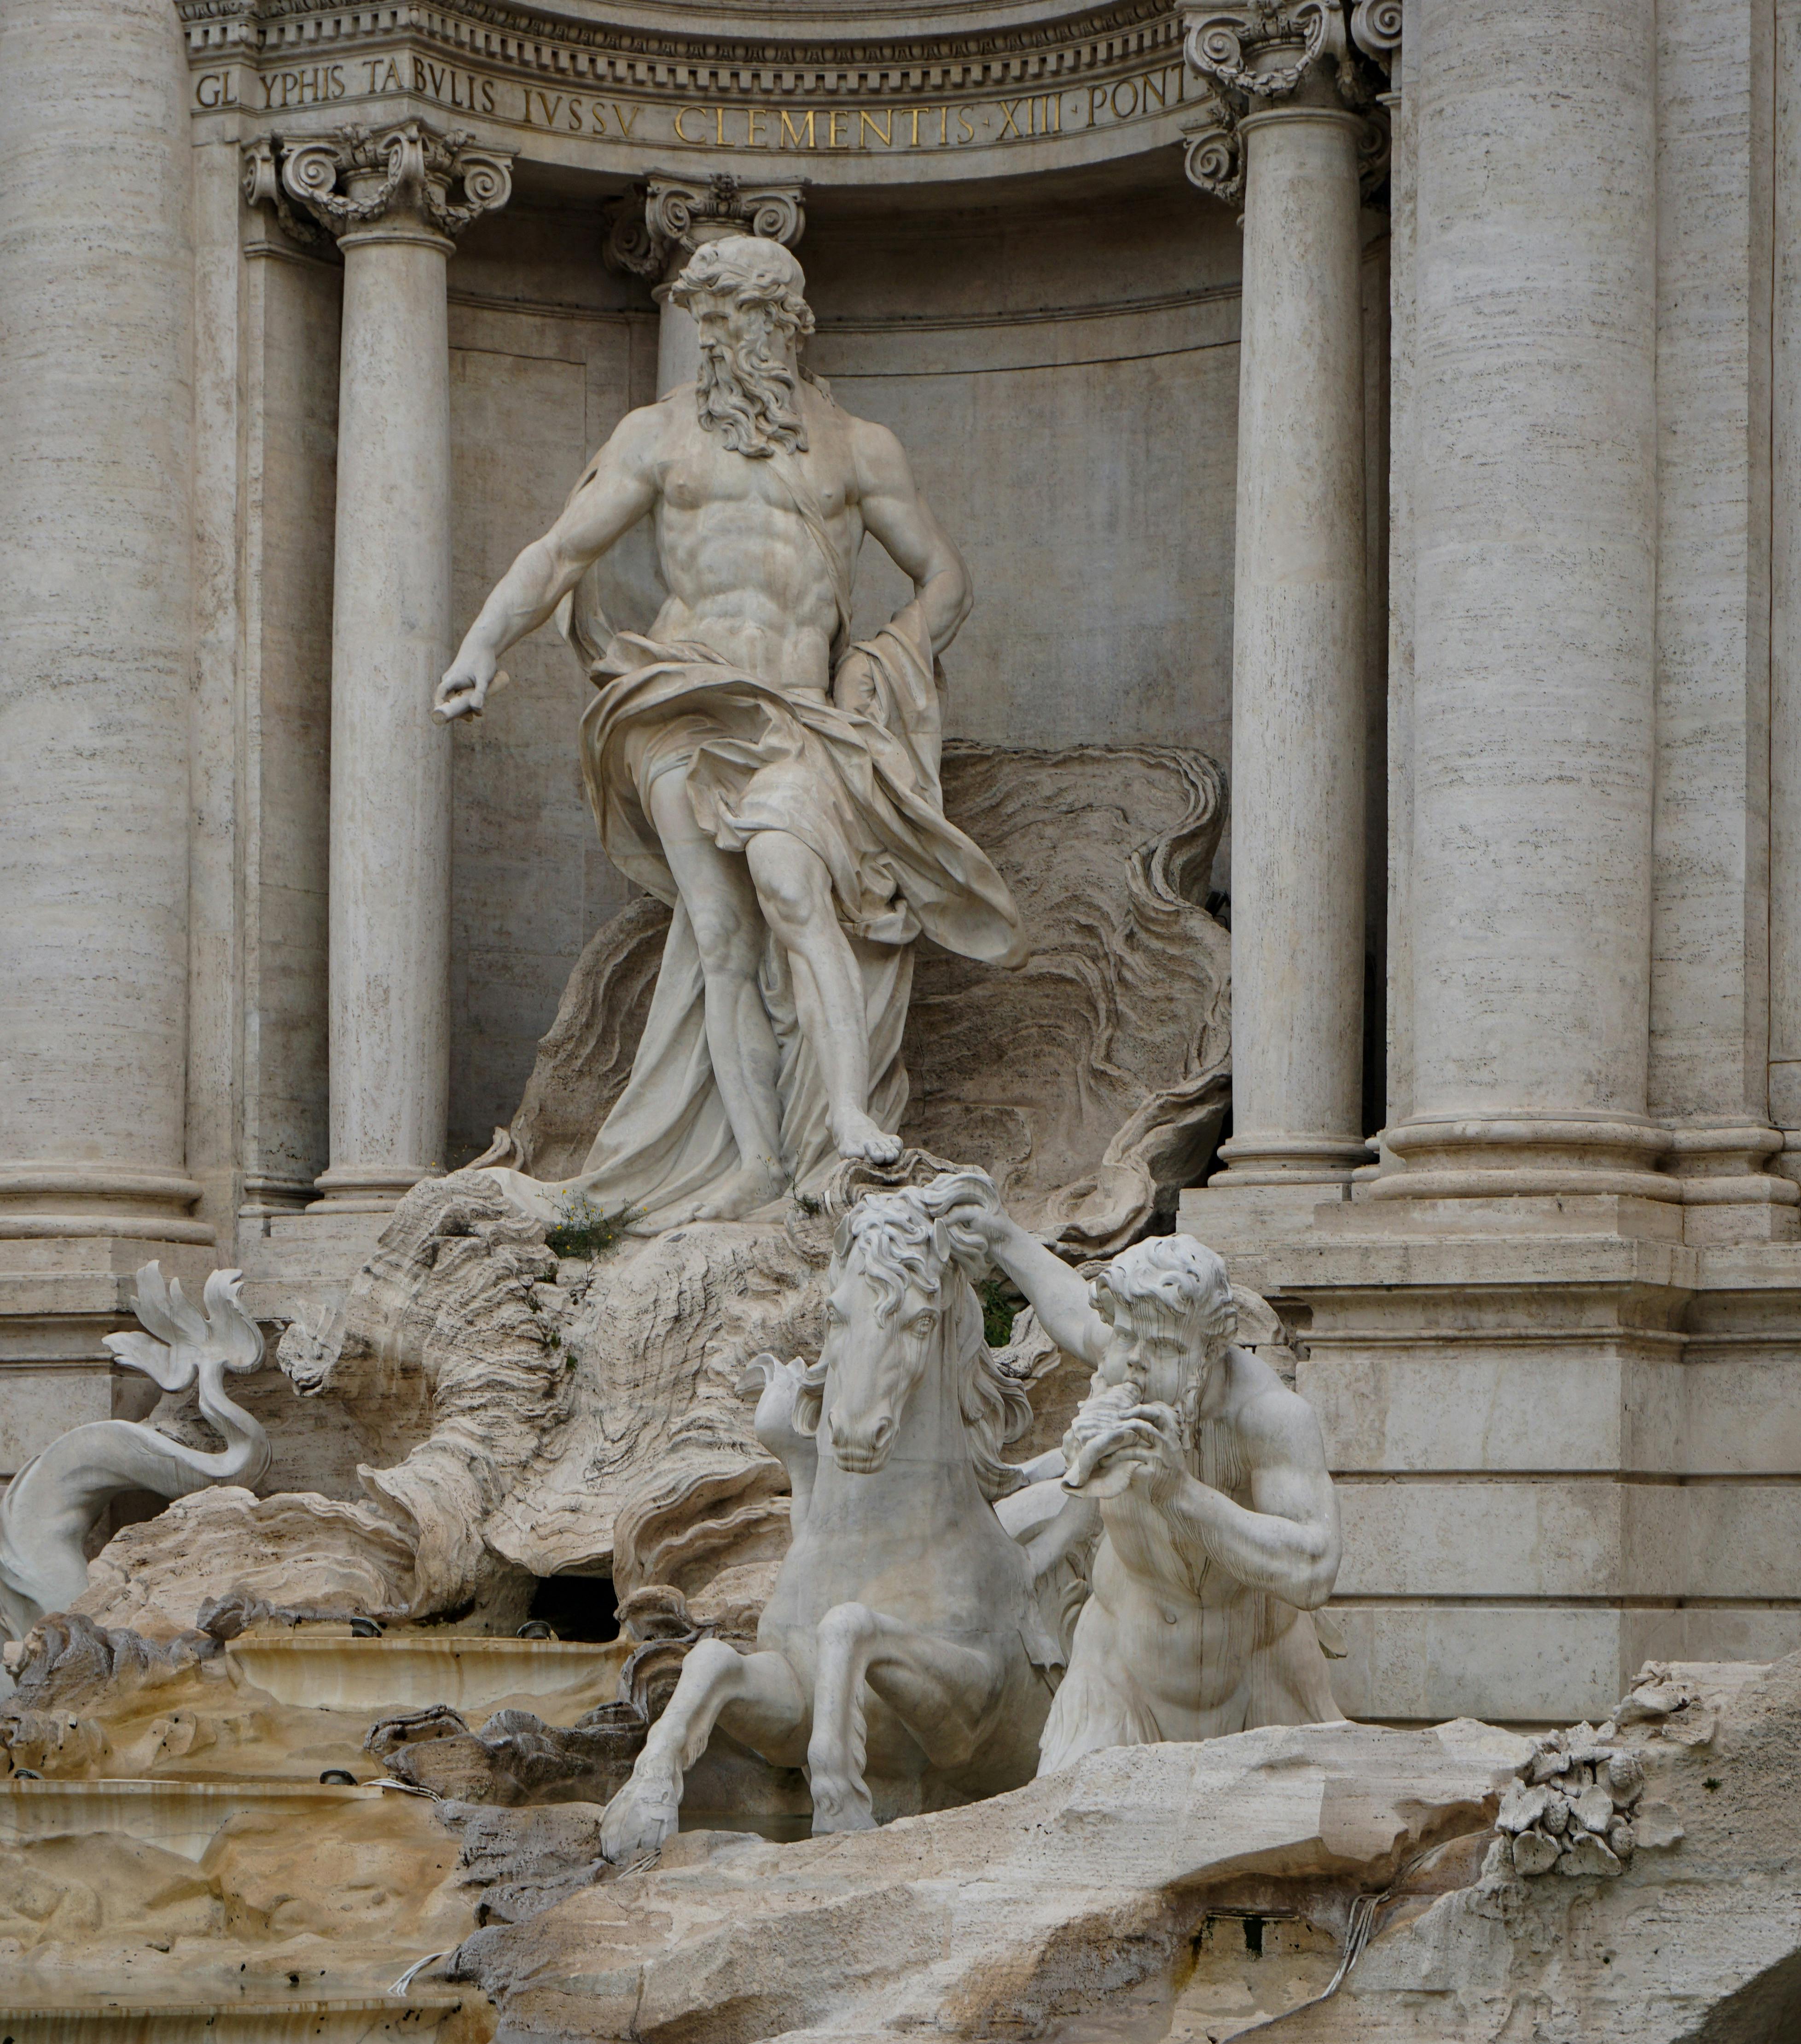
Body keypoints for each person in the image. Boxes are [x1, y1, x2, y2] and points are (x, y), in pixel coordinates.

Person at [435, 234, 1022, 1227]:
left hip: (798, 712)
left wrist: (883, 667)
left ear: (786, 323)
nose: (724, 340)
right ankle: (755, 1164)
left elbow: (946, 577)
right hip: (676, 696)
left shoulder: (857, 447)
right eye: (710, 320)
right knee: (717, 932)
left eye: (740, 318)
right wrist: (482, 646)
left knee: (795, 885)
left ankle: (843, 1116)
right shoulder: (656, 439)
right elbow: (558, 553)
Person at [959, 1198, 1345, 1766]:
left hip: (1262, 1675)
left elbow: (1313, 1570)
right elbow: (1069, 1306)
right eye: (1125, 1339)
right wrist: (1000, 1232)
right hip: (1118, 1671)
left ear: (1212, 1350)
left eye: (1162, 1348)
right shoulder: (1129, 1354)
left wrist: (1181, 1493)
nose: (1134, 1365)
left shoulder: (1270, 1417)